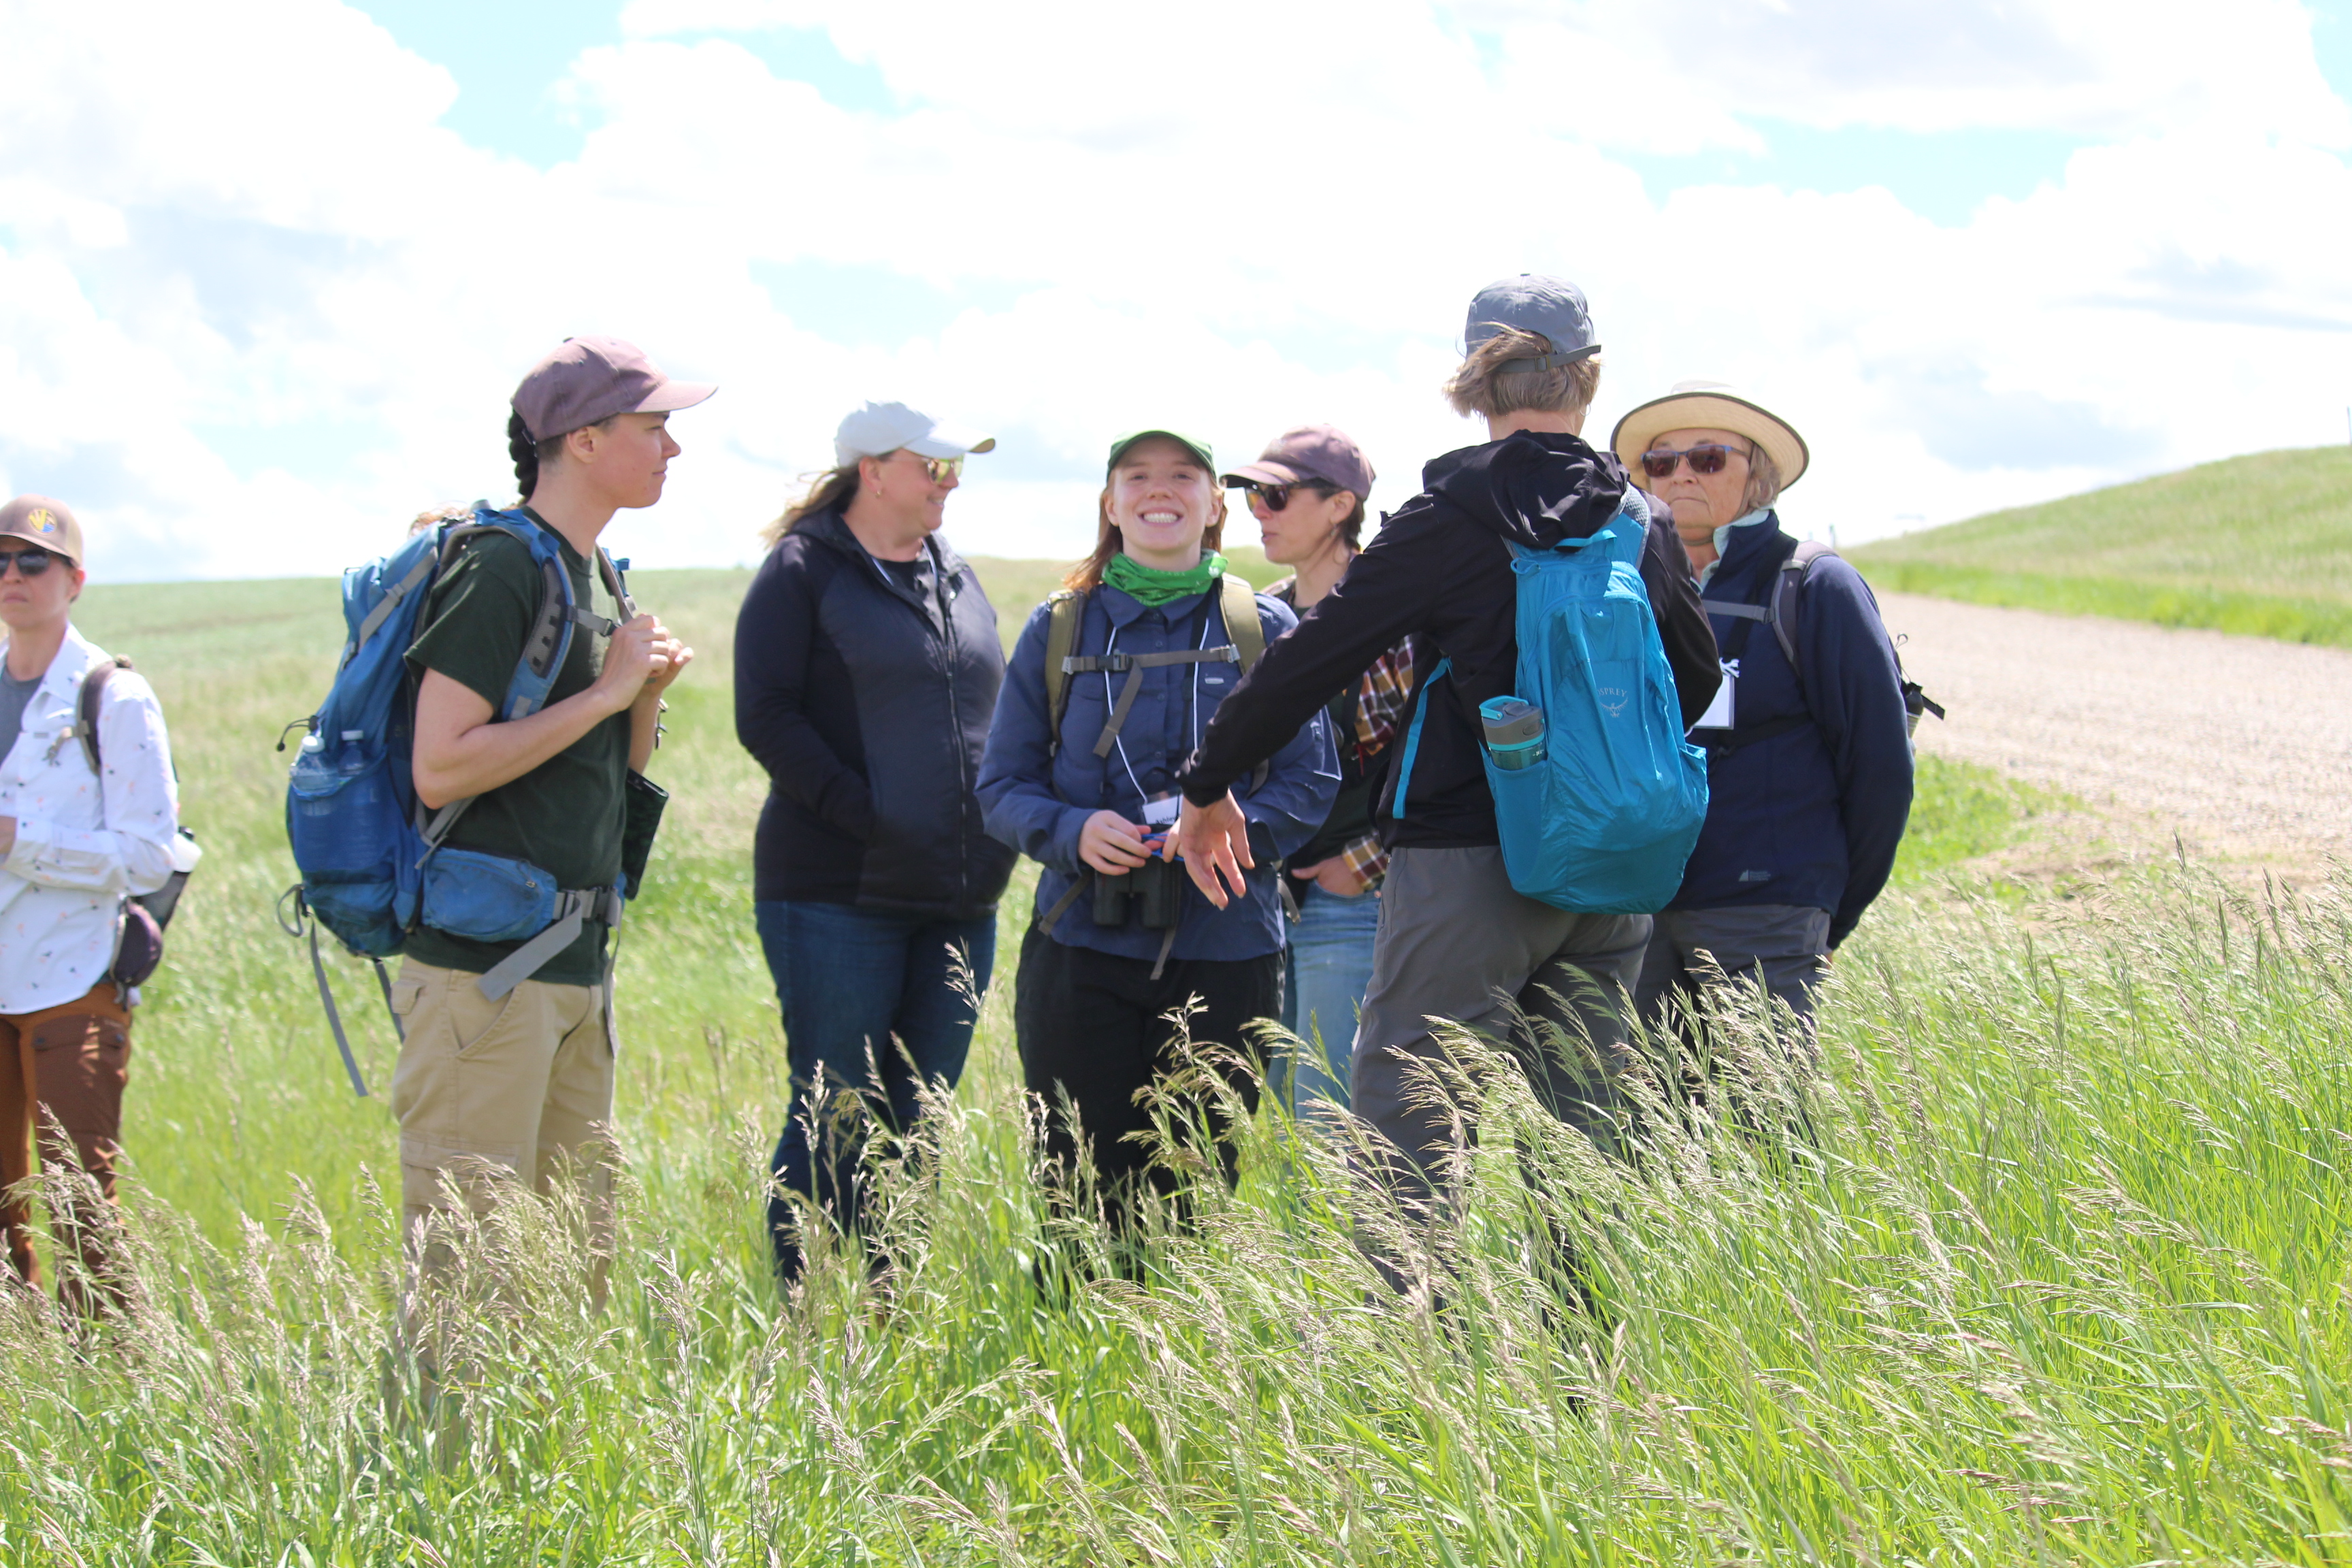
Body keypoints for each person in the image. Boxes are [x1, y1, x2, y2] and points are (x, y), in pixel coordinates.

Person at [1169, 277, 1719, 1281]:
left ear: (1475, 383)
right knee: (1586, 1136)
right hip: (1609, 872)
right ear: (1587, 380)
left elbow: (1312, 659)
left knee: (1410, 1122)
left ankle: (1405, 1383)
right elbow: (1693, 675)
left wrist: (1208, 787)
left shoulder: (1449, 516)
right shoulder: (1637, 518)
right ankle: (1586, 1383)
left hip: (1467, 863)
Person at [391, 336, 708, 1294]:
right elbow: (441, 766)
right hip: (485, 981)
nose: (672, 450)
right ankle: (436, 1453)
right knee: (470, 1289)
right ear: (579, 439)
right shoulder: (501, 568)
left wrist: (640, 698)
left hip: (573, 969)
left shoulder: (600, 572)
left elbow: (610, 766)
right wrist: (610, 695)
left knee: (574, 1279)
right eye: (653, 428)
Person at [977, 430, 1337, 1262]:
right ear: (1110, 504)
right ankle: (1080, 1364)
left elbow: (1310, 784)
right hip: (1080, 943)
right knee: (1076, 1193)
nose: (1158, 491)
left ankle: (1180, 1369)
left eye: (1183, 476)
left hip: (1228, 943)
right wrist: (1074, 832)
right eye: (1136, 477)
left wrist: (1212, 832)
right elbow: (1002, 787)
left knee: (1199, 1194)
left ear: (1215, 505)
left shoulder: (1265, 626)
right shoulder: (1059, 628)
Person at [734, 401, 1014, 1290]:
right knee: (835, 1113)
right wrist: (869, 814)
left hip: (960, 900)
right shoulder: (801, 572)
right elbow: (766, 716)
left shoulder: (955, 574)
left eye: (958, 465)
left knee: (918, 1118)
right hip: (836, 893)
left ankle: (889, 1314)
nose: (950, 480)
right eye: (933, 464)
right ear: (873, 470)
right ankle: (808, 1320)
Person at [1611, 381, 1912, 1041]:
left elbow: (1882, 769)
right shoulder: (1615, 588)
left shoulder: (1815, 585)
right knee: (1638, 1136)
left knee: (1767, 1132)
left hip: (1767, 907)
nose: (1681, 474)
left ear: (1759, 479)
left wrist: (1832, 910)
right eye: (1661, 463)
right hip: (1635, 908)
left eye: (1709, 458)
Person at [0, 495, 193, 1312]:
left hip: (74, 980)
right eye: (1, 562)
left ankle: (118, 1386)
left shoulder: (113, 695)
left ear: (75, 580)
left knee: (83, 1208)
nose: (13, 575)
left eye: (33, 561)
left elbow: (153, 852)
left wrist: (22, 841)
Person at [1224, 425, 1414, 1112]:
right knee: (1267, 1107)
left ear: (1340, 506)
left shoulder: (1394, 617)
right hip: (1265, 900)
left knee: (1326, 1112)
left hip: (1353, 900)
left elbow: (1427, 762)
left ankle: (1339, 1228)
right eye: (1251, 498)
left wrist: (1362, 863)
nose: (1259, 513)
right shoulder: (1261, 617)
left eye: (1275, 496)